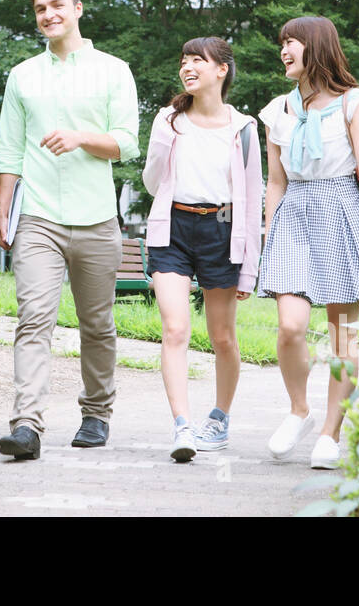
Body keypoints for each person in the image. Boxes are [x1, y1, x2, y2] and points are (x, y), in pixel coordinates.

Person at [0, 0, 139, 460]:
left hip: (97, 218)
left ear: (78, 8)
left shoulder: (113, 70)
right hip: (37, 217)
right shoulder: (22, 76)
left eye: (57, 5)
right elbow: (9, 151)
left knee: (96, 323)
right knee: (33, 319)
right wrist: (2, 210)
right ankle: (27, 426)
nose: (49, 14)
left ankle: (96, 414)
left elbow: (127, 143)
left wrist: (79, 137)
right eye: (40, 9)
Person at [257, 16, 359, 470]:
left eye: (292, 42)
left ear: (316, 47)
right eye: (282, 42)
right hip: (295, 212)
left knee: (343, 335)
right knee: (290, 327)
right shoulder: (277, 110)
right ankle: (300, 409)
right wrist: (269, 233)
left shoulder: (354, 104)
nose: (284, 50)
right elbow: (275, 182)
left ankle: (330, 433)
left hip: (341, 210)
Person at [141, 37, 263, 462]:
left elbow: (251, 199)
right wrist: (164, 137)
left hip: (222, 230)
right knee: (175, 329)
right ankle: (182, 426)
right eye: (184, 60)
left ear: (222, 70)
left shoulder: (243, 127)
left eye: (198, 60)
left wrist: (249, 268)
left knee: (223, 337)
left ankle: (219, 419)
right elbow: (152, 181)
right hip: (173, 226)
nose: (187, 67)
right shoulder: (168, 121)